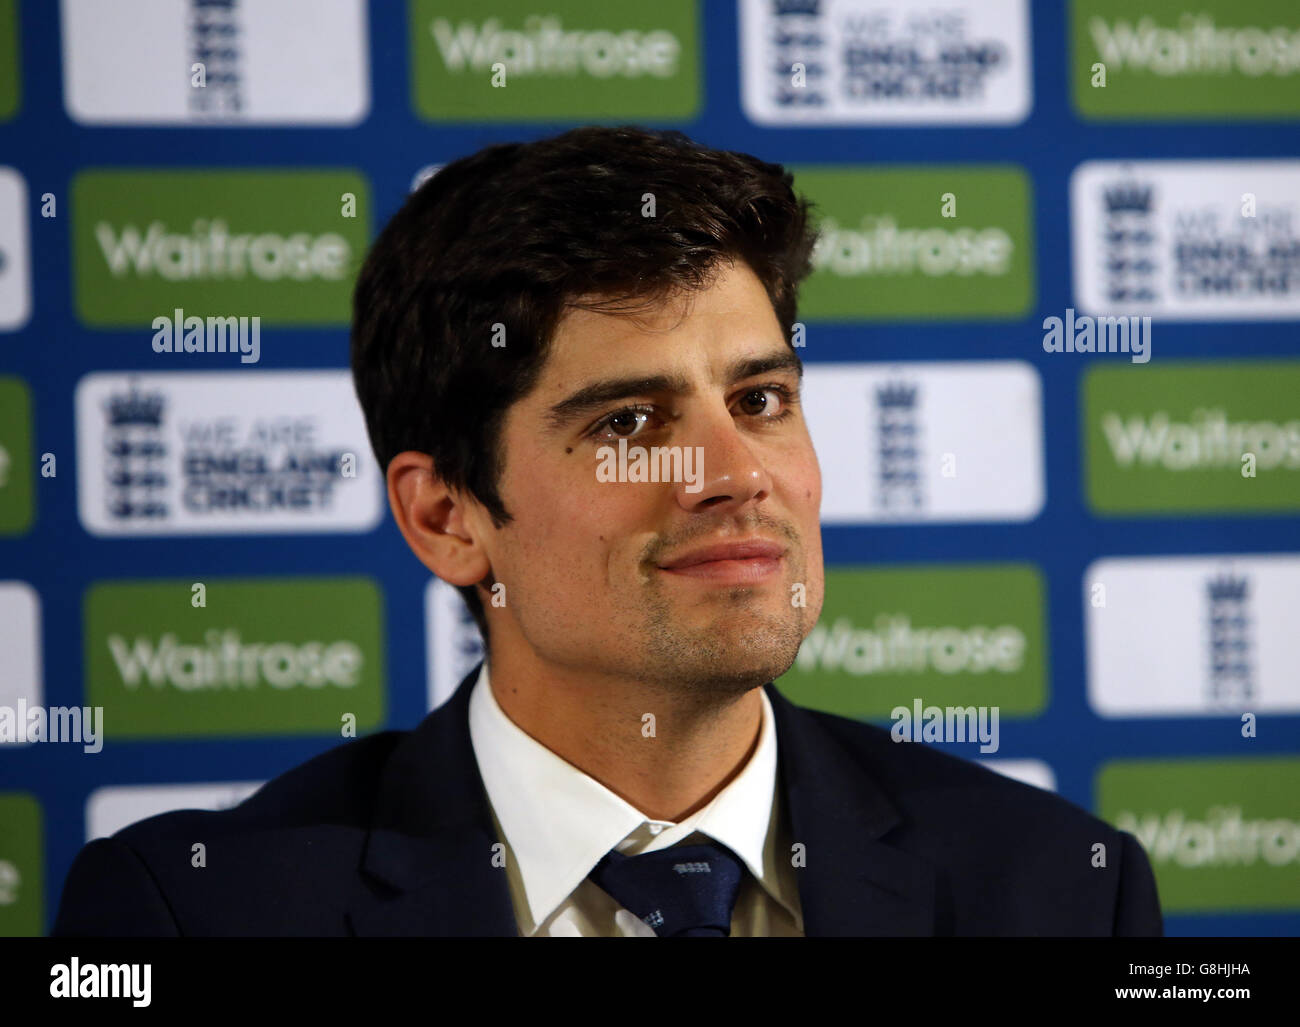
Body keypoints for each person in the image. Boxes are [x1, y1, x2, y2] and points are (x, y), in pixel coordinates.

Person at [52, 126, 1162, 937]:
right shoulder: (192, 912)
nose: (733, 475)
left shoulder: (1061, 888)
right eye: (629, 422)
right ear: (445, 519)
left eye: (761, 400)